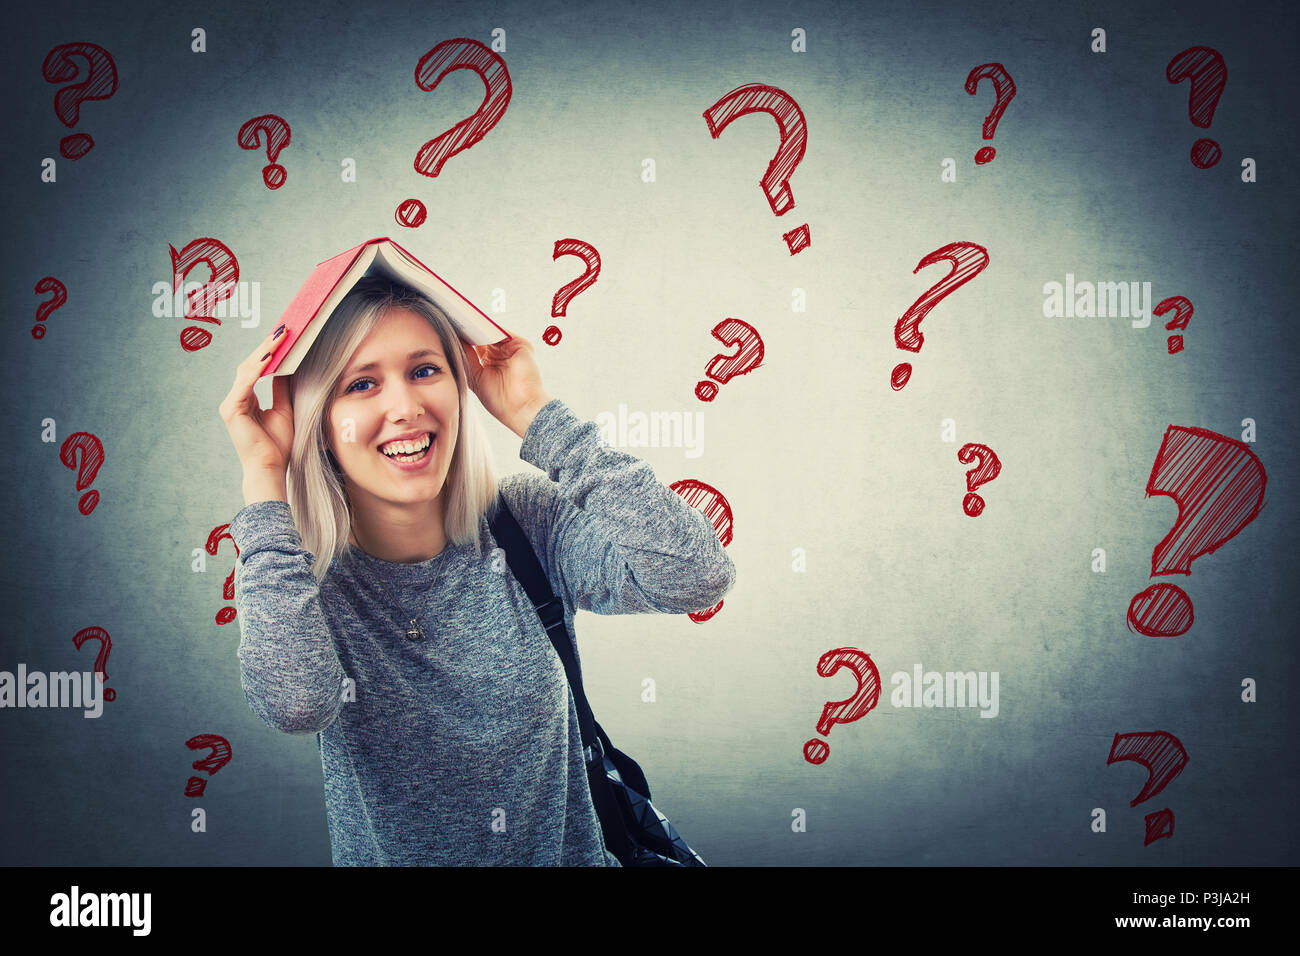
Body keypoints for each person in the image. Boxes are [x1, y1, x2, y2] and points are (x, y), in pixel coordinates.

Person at [218, 276, 736, 865]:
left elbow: (696, 574)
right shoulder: (299, 580)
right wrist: (265, 477)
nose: (406, 408)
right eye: (361, 384)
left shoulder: (526, 523)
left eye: (424, 371)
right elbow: (296, 704)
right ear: (318, 420)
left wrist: (539, 419)